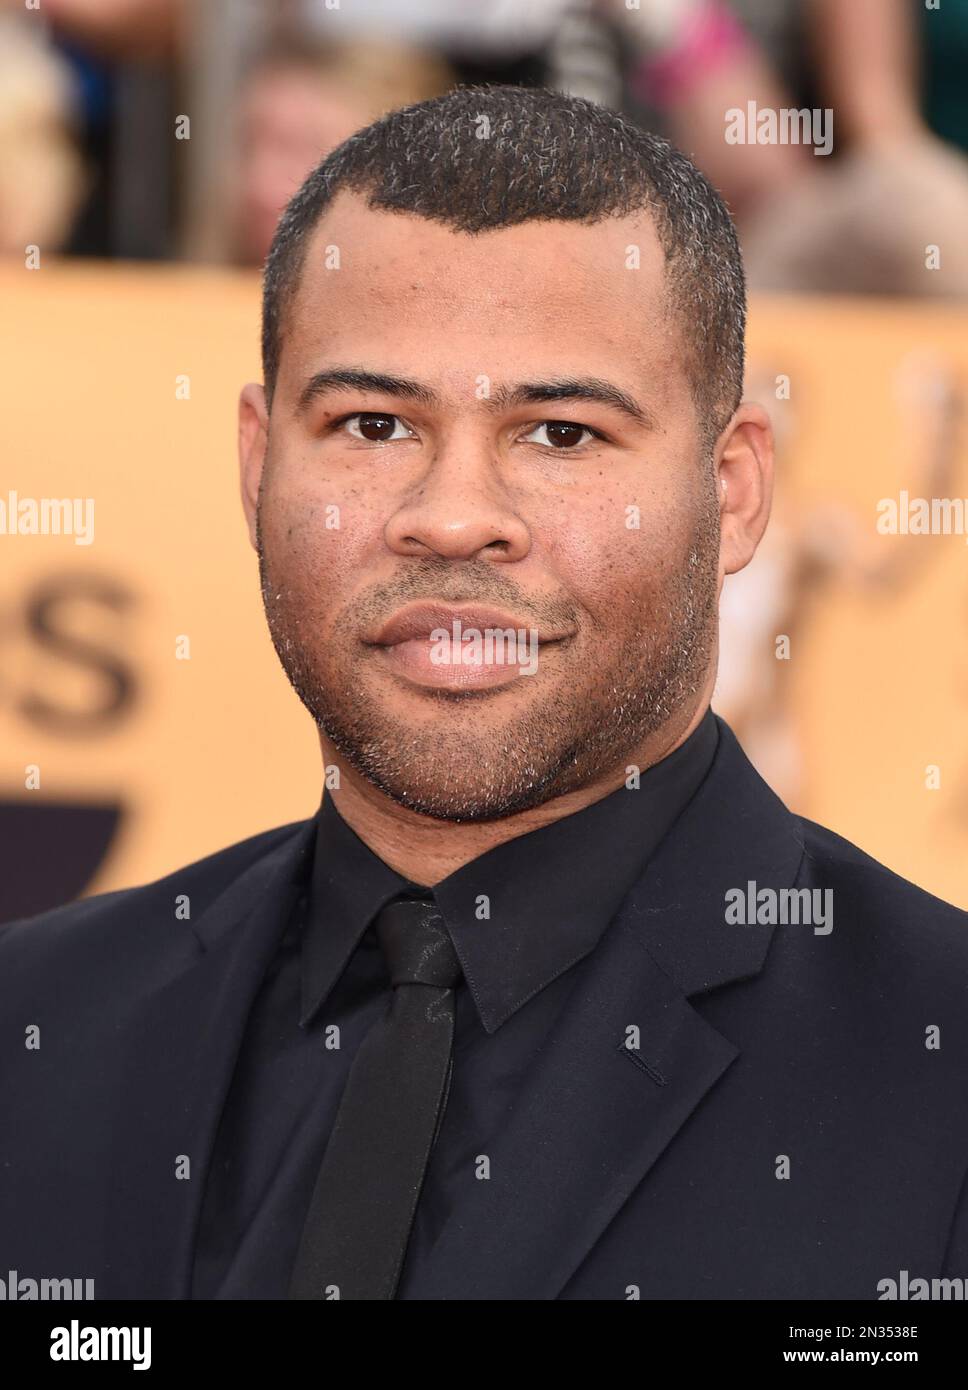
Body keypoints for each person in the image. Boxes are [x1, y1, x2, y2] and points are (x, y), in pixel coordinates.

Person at [2, 84, 966, 1302]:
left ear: (730, 491)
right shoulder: (37, 1024)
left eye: (559, 434)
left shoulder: (938, 1065)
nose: (453, 517)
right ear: (256, 464)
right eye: (371, 424)